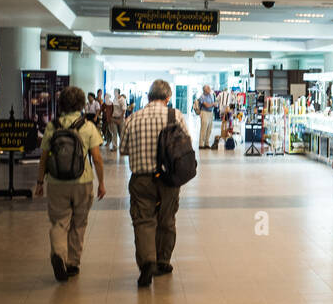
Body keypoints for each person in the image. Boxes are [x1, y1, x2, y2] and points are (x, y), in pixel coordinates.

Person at [120, 79, 190, 287]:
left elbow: (123, 149)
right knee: (166, 219)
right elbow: (187, 144)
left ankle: (147, 261)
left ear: (148, 97)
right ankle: (162, 260)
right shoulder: (174, 115)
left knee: (143, 220)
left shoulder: (133, 118)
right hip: (168, 178)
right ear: (168, 97)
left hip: (141, 179)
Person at [35, 86, 106, 281]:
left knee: (60, 221)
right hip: (82, 181)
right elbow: (97, 158)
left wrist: (40, 182)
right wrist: (101, 183)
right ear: (82, 104)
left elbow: (44, 158)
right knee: (79, 222)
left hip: (57, 182)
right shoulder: (87, 126)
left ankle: (58, 253)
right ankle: (73, 263)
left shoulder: (52, 126)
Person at [196, 84, 217, 149]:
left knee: (209, 129)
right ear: (205, 90)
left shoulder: (211, 96)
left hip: (210, 113)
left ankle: (206, 143)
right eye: (209, 88)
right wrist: (213, 104)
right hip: (204, 112)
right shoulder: (202, 97)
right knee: (204, 128)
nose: (210, 89)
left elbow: (213, 104)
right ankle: (201, 144)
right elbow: (206, 105)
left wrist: (214, 104)